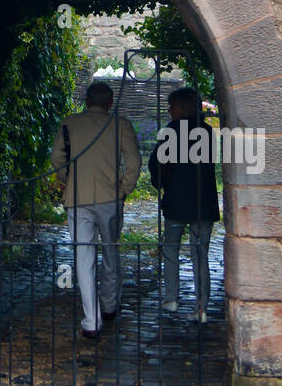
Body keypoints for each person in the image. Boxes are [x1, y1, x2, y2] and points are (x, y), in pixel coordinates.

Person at [51, 80, 142, 339]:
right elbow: (134, 161)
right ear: (110, 103)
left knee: (83, 258)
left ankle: (92, 320)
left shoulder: (70, 122)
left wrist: (67, 178)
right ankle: (110, 305)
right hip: (110, 197)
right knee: (111, 251)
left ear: (86, 101)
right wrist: (124, 188)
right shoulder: (120, 125)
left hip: (78, 197)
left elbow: (57, 156)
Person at [148, 87, 220, 323]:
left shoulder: (172, 130)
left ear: (182, 107)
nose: (169, 110)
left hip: (177, 200)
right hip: (203, 201)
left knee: (170, 249)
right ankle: (202, 305)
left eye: (172, 106)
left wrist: (159, 178)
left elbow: (157, 161)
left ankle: (171, 298)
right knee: (201, 253)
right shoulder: (207, 131)